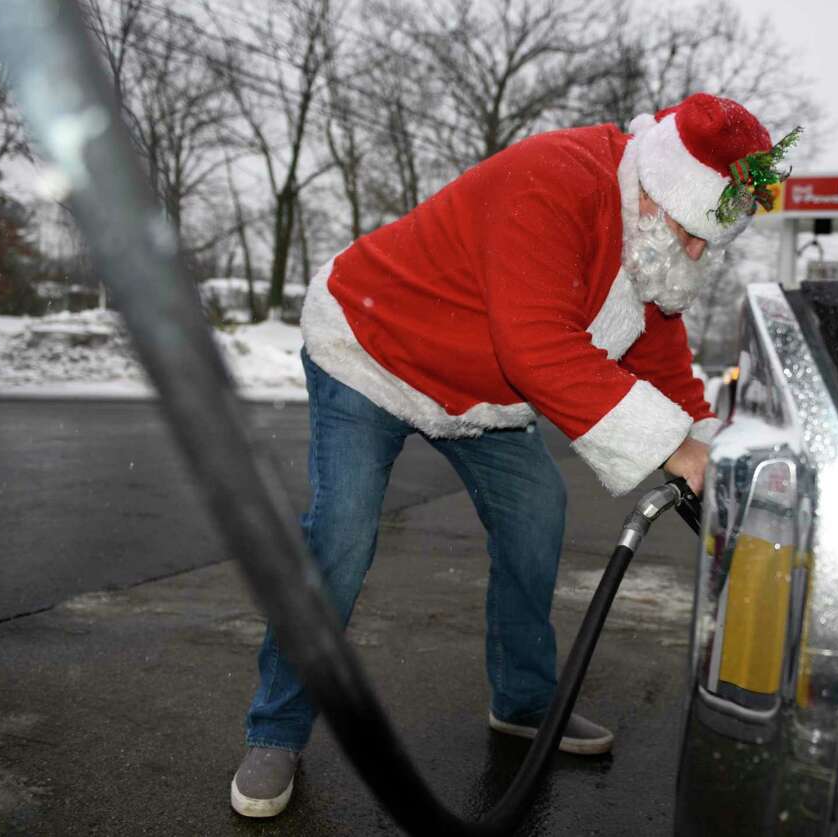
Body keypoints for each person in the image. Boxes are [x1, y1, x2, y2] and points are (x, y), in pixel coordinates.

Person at [230, 92, 793, 818]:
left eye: (706, 243)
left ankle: (524, 703)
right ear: (660, 188)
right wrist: (674, 450)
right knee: (341, 531)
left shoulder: (650, 242)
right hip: (372, 350)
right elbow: (536, 347)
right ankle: (275, 728)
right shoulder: (555, 178)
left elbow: (663, 364)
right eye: (690, 232)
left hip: (481, 393)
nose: (693, 253)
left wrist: (719, 450)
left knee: (536, 510)